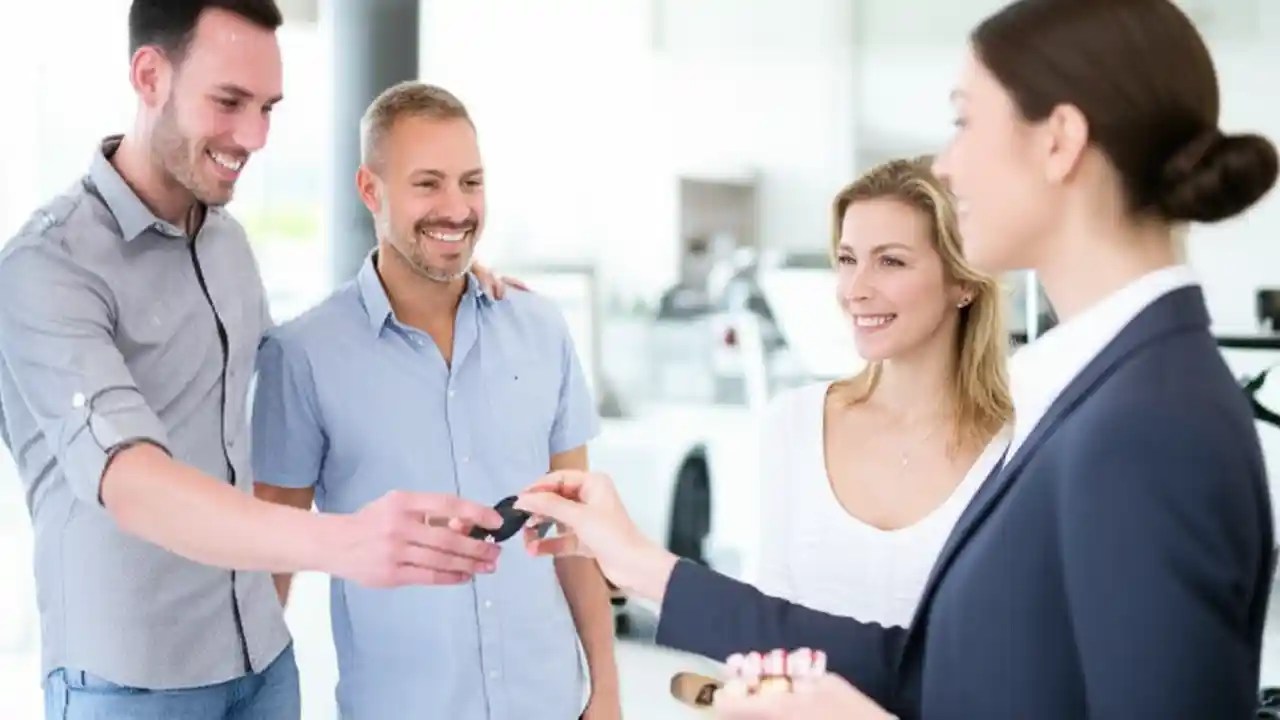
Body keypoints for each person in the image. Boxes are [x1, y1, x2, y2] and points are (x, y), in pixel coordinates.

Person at [514, 0, 1279, 717]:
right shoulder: (1099, 391)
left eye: (964, 122)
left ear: (1059, 141)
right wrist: (644, 564)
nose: (946, 165)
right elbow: (931, 668)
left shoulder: (1148, 424)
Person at [0, 3, 516, 717]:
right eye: (230, 102)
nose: (255, 136)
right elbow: (131, 481)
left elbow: (309, 361)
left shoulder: (226, 243)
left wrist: (445, 271)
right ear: (150, 76)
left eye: (268, 107)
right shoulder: (46, 266)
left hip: (262, 662)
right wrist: (340, 542)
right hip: (131, 684)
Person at [250, 81, 621, 720]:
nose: (456, 208)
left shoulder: (539, 329)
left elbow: (576, 529)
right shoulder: (304, 355)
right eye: (428, 184)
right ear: (372, 190)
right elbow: (270, 564)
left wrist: (607, 693)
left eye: (471, 183)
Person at [755, 156, 1011, 627]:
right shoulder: (793, 424)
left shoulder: (1017, 449)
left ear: (963, 280)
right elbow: (759, 627)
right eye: (848, 260)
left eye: (890, 261)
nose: (856, 289)